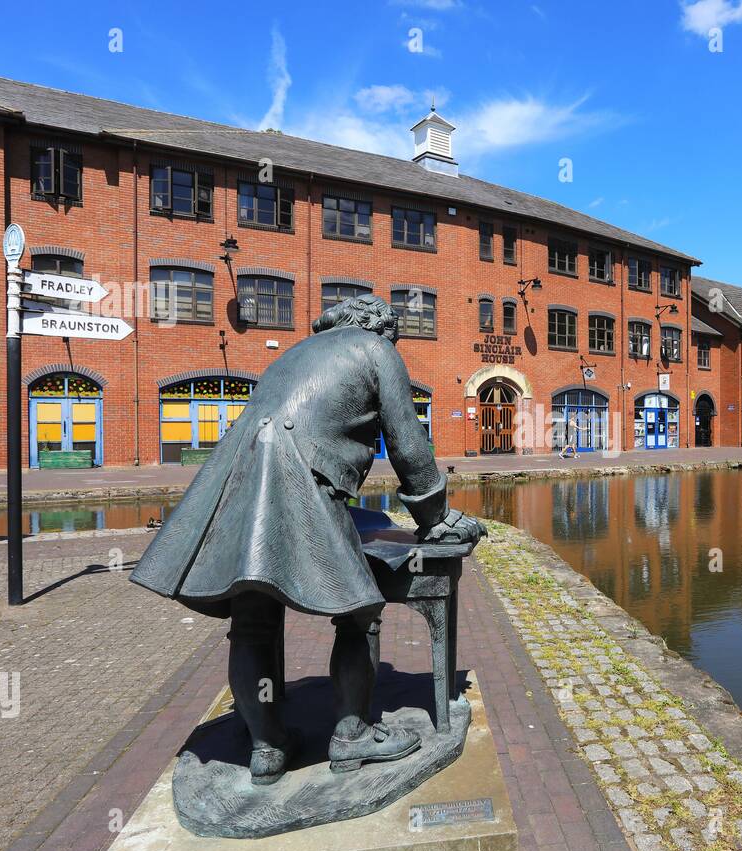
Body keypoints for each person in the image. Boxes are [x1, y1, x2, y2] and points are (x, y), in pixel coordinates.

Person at [132, 294, 485, 785]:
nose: (393, 342)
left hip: (241, 479)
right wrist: (434, 516)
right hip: (304, 475)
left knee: (251, 616)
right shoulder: (374, 348)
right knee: (358, 612)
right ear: (379, 326)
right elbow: (408, 441)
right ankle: (352, 735)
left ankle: (267, 747)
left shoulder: (293, 353)